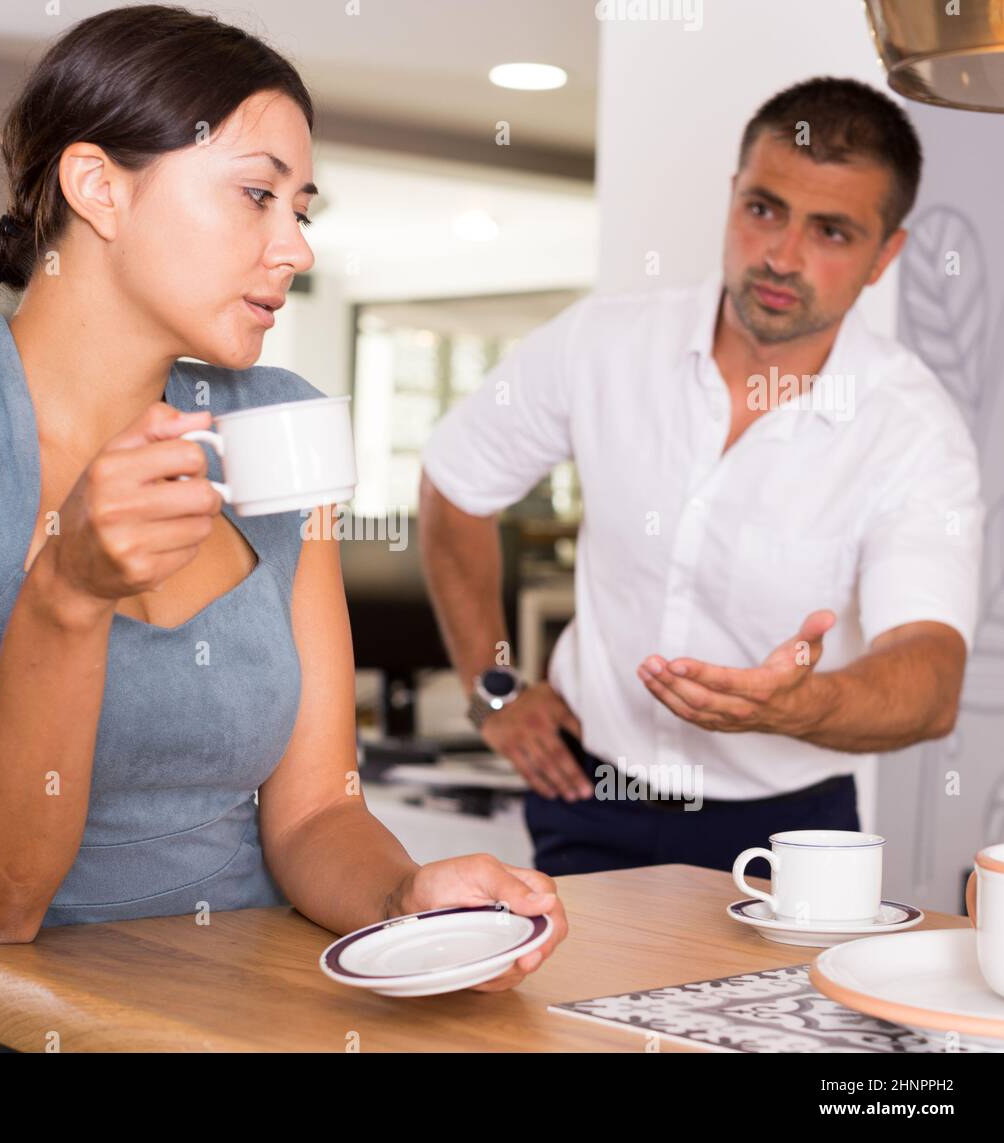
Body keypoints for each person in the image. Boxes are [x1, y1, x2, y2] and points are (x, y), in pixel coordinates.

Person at [0, 4, 566, 1052]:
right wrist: (67, 595)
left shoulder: (279, 420)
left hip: (260, 1025)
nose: (293, 246)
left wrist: (407, 895)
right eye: (256, 195)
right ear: (97, 186)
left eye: (302, 208)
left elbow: (311, 817)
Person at [419, 77, 983, 879]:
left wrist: (799, 705)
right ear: (733, 197)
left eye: (830, 231)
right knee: (558, 1007)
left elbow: (929, 677)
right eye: (764, 210)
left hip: (789, 830)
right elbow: (455, 483)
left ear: (883, 254)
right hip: (587, 794)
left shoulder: (913, 431)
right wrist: (494, 691)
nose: (782, 256)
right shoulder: (602, 344)